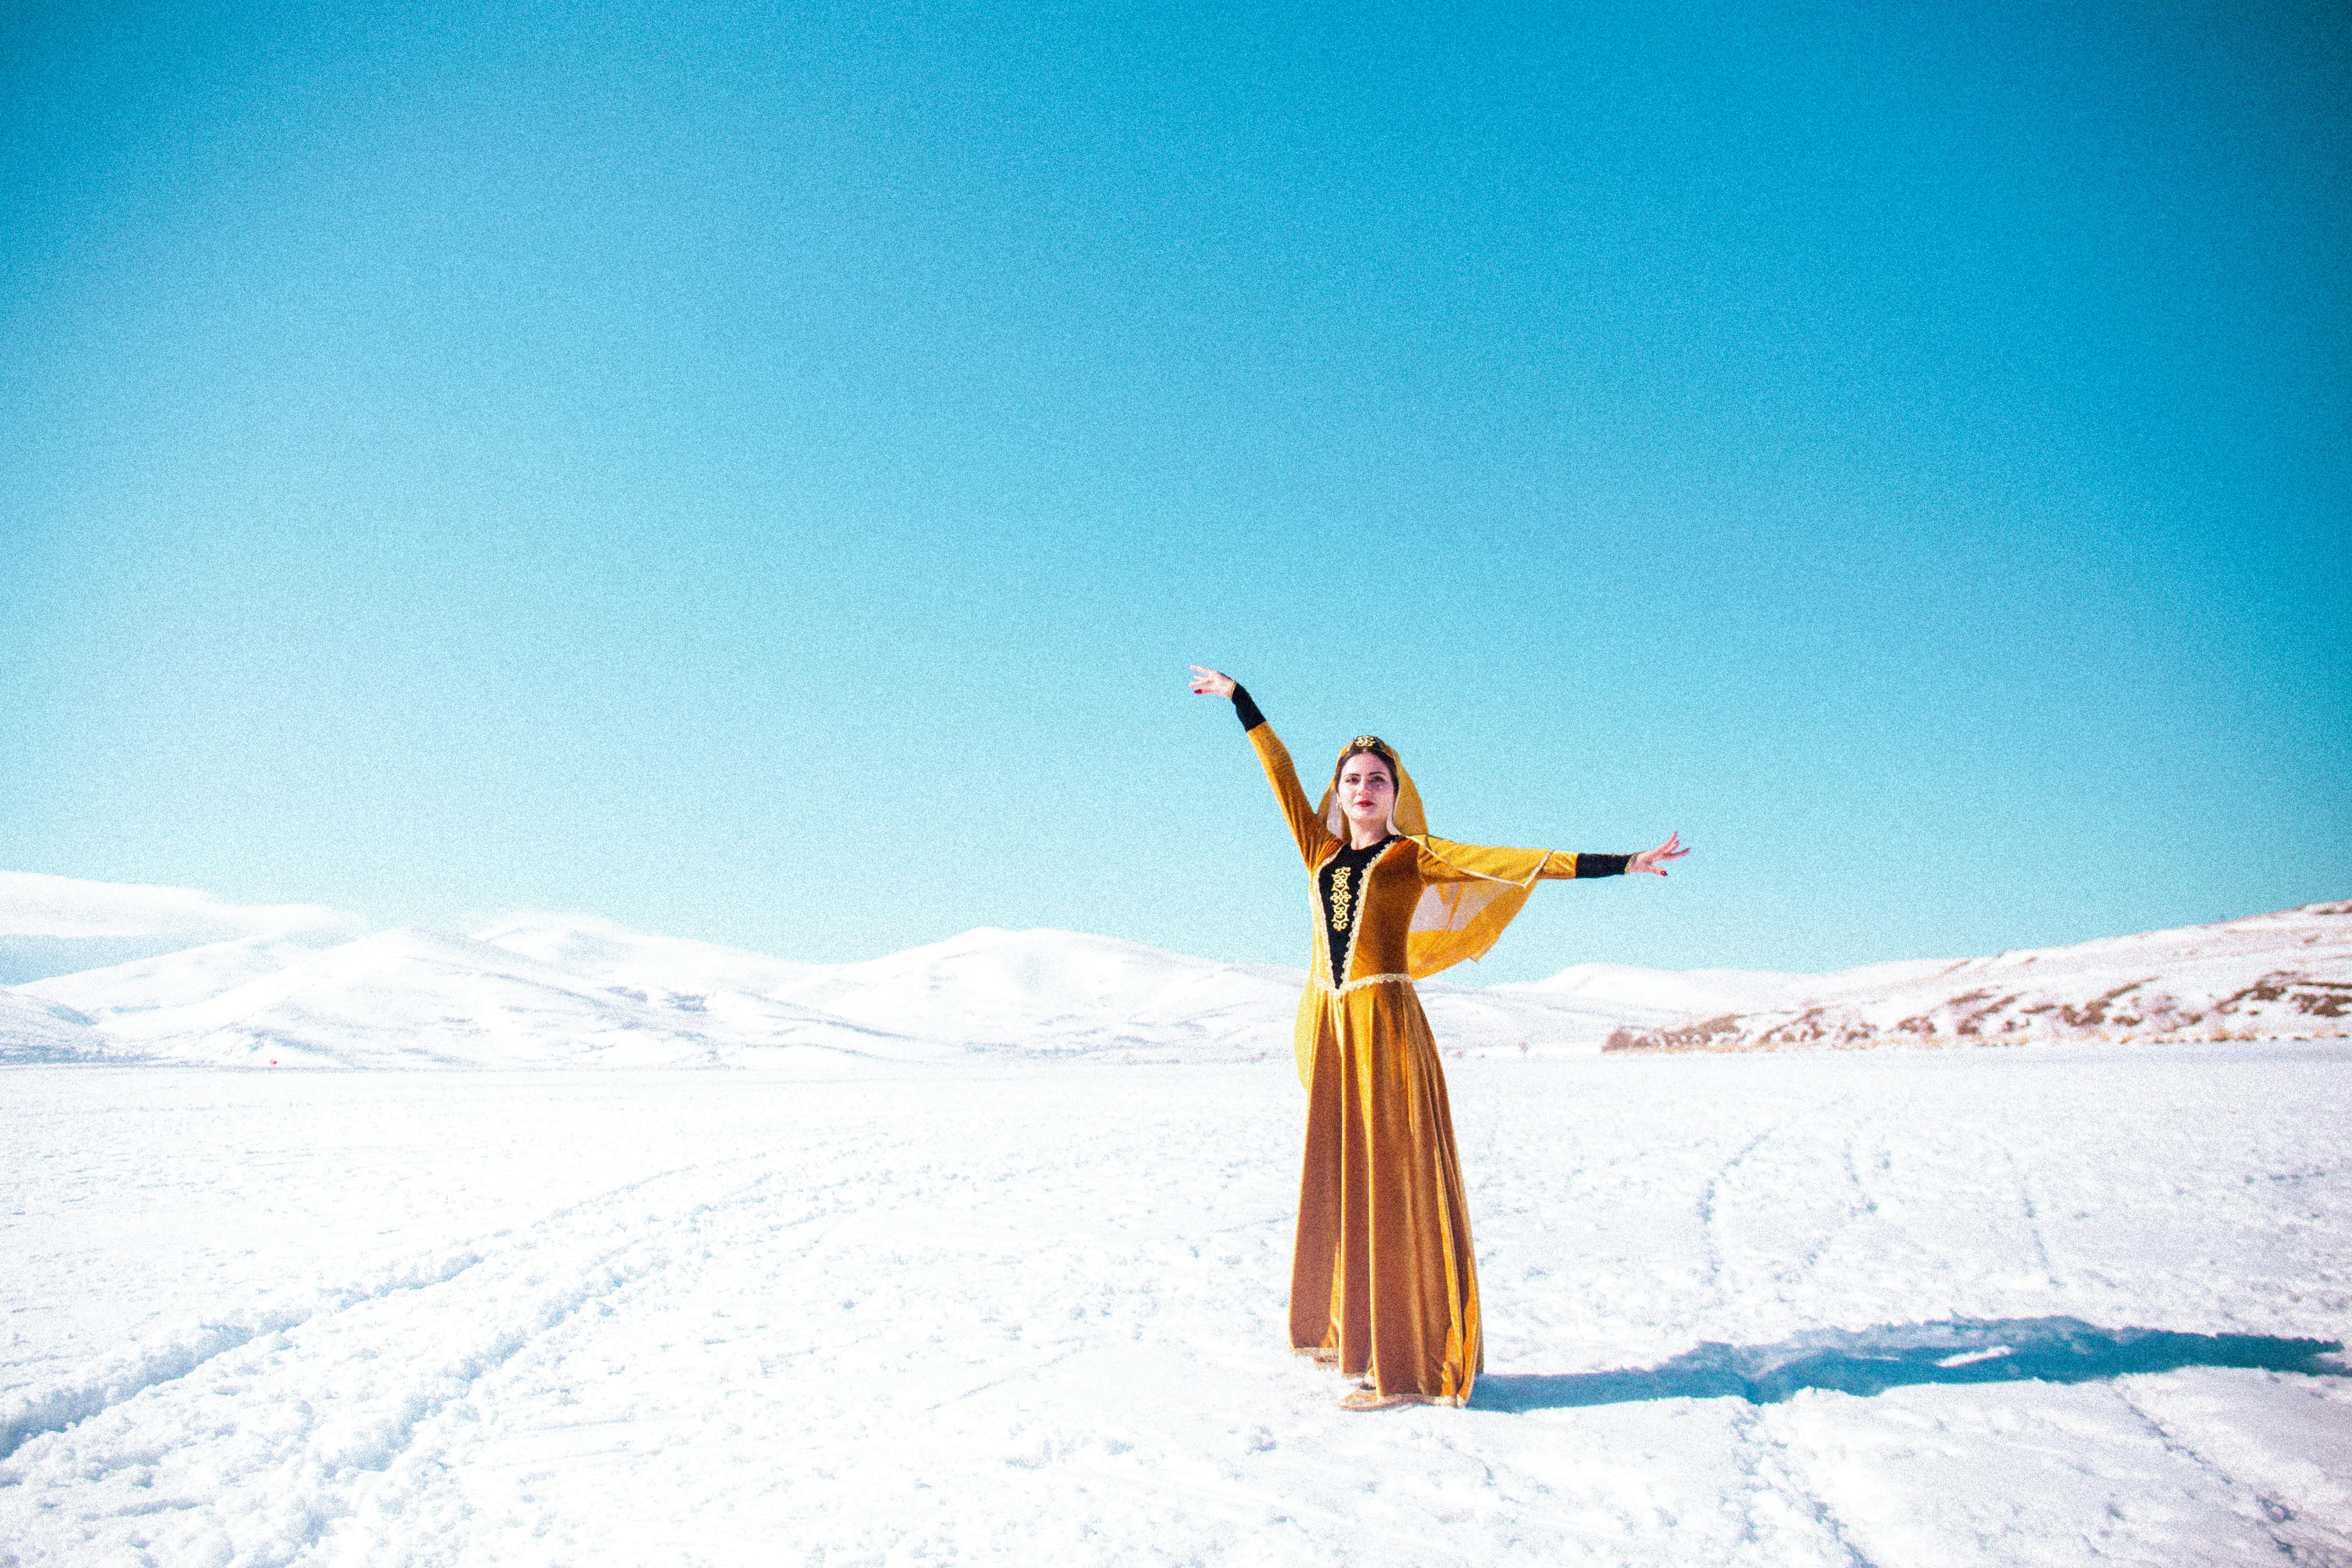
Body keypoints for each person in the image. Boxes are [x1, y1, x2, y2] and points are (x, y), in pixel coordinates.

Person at [1189, 666, 1687, 1410]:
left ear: (1396, 793)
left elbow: (1515, 864)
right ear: (1339, 792)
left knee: (1394, 1184)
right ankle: (1358, 1343)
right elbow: (1280, 774)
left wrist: (1622, 863)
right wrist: (1242, 702)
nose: (1364, 789)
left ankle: (1409, 1364)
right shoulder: (1319, 855)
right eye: (1353, 779)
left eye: (1379, 781)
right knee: (1347, 1178)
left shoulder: (1412, 856)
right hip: (1334, 1033)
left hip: (1387, 1032)